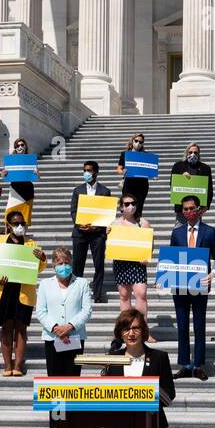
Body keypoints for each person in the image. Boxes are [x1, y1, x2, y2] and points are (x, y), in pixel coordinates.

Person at [102, 310, 176, 428]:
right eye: (126, 329)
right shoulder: (112, 359)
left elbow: (169, 396)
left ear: (143, 331)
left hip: (152, 426)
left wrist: (146, 390)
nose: (131, 333)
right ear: (120, 333)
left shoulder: (159, 357)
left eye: (135, 328)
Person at [35, 246, 95, 428]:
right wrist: (55, 328)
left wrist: (70, 325)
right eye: (59, 263)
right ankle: (56, 423)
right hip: (52, 338)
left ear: (71, 263)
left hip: (75, 336)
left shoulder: (82, 283)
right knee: (55, 379)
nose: (63, 266)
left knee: (72, 378)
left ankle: (72, 421)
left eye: (66, 263)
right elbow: (41, 311)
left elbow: (86, 310)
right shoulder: (45, 284)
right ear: (53, 265)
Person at [0, 210, 46, 376]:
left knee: (21, 328)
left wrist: (42, 258)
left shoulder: (31, 245)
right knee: (6, 327)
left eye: (23, 223)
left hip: (23, 291)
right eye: (16, 223)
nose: (20, 226)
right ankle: (8, 365)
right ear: (8, 225)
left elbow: (39, 269)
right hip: (3, 290)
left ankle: (18, 365)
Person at [170, 196, 215, 379]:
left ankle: (199, 364)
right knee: (182, 326)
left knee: (199, 325)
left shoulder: (209, 232)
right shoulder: (177, 233)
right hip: (180, 286)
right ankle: (184, 364)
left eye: (192, 208)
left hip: (200, 285)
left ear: (199, 209)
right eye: (185, 209)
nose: (188, 212)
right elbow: (171, 259)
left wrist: (212, 274)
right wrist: (165, 276)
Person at [69, 160, 111, 303]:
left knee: (98, 264)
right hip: (80, 232)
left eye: (89, 170)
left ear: (96, 173)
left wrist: (96, 227)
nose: (86, 173)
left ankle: (97, 294)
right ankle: (77, 293)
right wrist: (81, 224)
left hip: (97, 234)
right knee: (77, 264)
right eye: (84, 170)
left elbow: (107, 213)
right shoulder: (78, 190)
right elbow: (73, 211)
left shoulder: (105, 191)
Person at [112, 193, 152, 316]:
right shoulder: (114, 224)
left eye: (133, 203)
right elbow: (110, 244)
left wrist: (147, 256)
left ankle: (142, 329)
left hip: (138, 263)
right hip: (121, 262)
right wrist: (108, 234)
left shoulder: (143, 223)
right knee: (124, 295)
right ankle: (127, 328)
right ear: (121, 207)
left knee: (141, 293)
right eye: (127, 204)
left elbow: (149, 243)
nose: (131, 206)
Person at [171, 142, 214, 224]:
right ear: (186, 153)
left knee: (195, 233)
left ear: (198, 154)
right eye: (190, 152)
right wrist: (181, 177)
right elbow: (172, 185)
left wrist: (206, 206)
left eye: (195, 153)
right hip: (182, 209)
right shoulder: (178, 166)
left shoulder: (205, 168)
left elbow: (209, 189)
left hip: (196, 210)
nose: (193, 154)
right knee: (180, 232)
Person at [115, 132, 151, 216]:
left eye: (141, 142)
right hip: (129, 184)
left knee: (138, 208)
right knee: (127, 206)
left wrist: (152, 174)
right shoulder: (125, 154)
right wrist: (123, 171)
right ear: (132, 140)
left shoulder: (146, 155)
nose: (138, 143)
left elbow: (149, 169)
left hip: (142, 185)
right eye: (136, 141)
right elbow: (119, 169)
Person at [1, 136, 36, 218]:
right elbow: (5, 176)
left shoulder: (30, 159)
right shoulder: (11, 159)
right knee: (9, 213)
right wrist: (3, 174)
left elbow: (36, 177)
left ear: (25, 146)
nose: (20, 147)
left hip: (27, 189)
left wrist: (36, 174)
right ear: (15, 147)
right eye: (17, 145)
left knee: (25, 216)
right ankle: (9, 231)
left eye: (22, 145)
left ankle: (23, 231)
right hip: (15, 189)